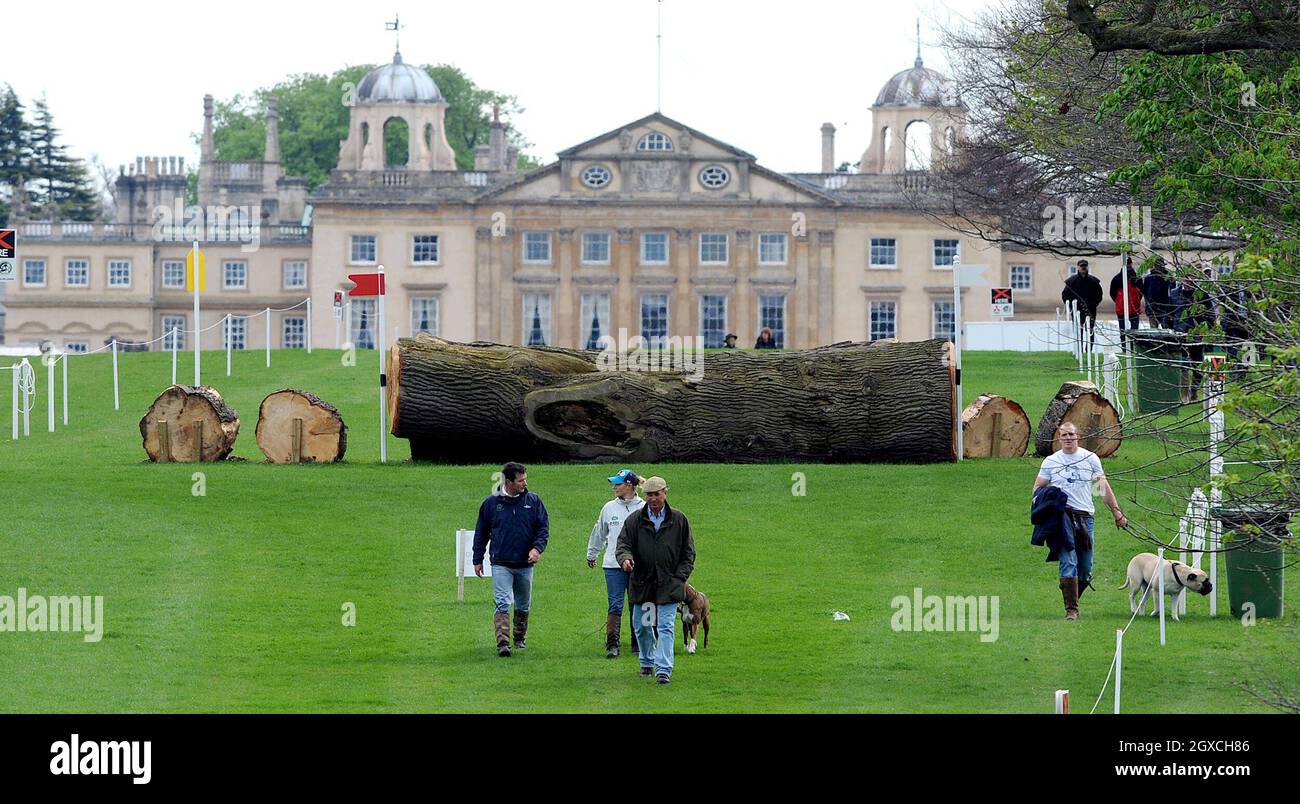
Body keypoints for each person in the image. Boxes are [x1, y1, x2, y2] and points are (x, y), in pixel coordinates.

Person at [1031, 423, 1127, 620]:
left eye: (1071, 434)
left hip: (1085, 517)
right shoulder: (1051, 461)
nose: (1068, 438)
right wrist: (1047, 503)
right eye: (1064, 435)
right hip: (1062, 517)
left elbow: (1101, 488)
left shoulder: (1090, 459)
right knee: (1069, 561)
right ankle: (1071, 610)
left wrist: (1117, 513)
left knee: (1085, 568)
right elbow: (1037, 489)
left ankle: (1070, 591)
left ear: (1078, 436)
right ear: (1059, 438)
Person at [615, 476, 695, 684]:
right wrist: (626, 560)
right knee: (642, 626)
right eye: (649, 495)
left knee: (666, 627)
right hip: (643, 584)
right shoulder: (635, 521)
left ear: (664, 493)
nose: (653, 499)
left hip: (669, 586)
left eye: (656, 494)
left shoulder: (679, 520)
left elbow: (688, 553)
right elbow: (623, 545)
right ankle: (647, 661)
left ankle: (663, 670)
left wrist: (680, 578)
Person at [473, 462, 549, 657]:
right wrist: (477, 559)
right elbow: (481, 532)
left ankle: (519, 638)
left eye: (525, 479)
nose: (525, 483)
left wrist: (537, 548)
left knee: (523, 604)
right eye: (521, 480)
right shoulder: (491, 503)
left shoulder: (533, 501)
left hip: (525, 564)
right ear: (508, 482)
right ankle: (503, 643)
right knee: (502, 602)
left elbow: (542, 528)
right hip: (501, 563)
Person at [586, 468, 645, 658]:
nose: (614, 487)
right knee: (615, 604)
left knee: (637, 603)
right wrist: (592, 554)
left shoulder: (643, 508)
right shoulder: (608, 508)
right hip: (613, 564)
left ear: (629, 485)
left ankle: (639, 642)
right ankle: (613, 644)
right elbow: (599, 532)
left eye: (618, 484)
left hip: (639, 565)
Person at [1061, 259, 1103, 347]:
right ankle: (1079, 349)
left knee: (1090, 330)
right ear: (1078, 267)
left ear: (1087, 267)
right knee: (1078, 332)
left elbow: (1099, 295)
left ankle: (1089, 350)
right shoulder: (1071, 281)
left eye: (1085, 266)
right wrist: (1072, 307)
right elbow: (1065, 295)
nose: (1083, 268)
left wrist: (1094, 304)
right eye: (1081, 266)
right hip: (1076, 310)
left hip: (1090, 309)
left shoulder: (1094, 281)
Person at [1109, 258, 1143, 336]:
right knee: (1125, 333)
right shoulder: (1117, 278)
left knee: (1133, 333)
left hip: (1132, 309)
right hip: (1124, 309)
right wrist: (1119, 301)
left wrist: (1136, 300)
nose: (1128, 265)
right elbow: (1112, 293)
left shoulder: (1136, 278)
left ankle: (1129, 347)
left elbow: (1141, 292)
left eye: (1128, 263)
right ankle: (1126, 347)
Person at [1140, 256, 1172, 329]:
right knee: (1153, 331)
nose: (1159, 268)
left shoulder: (1168, 278)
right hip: (1152, 310)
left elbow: (1172, 293)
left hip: (1165, 310)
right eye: (1157, 265)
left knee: (1166, 331)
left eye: (1161, 266)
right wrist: (1148, 307)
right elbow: (1145, 293)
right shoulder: (1149, 278)